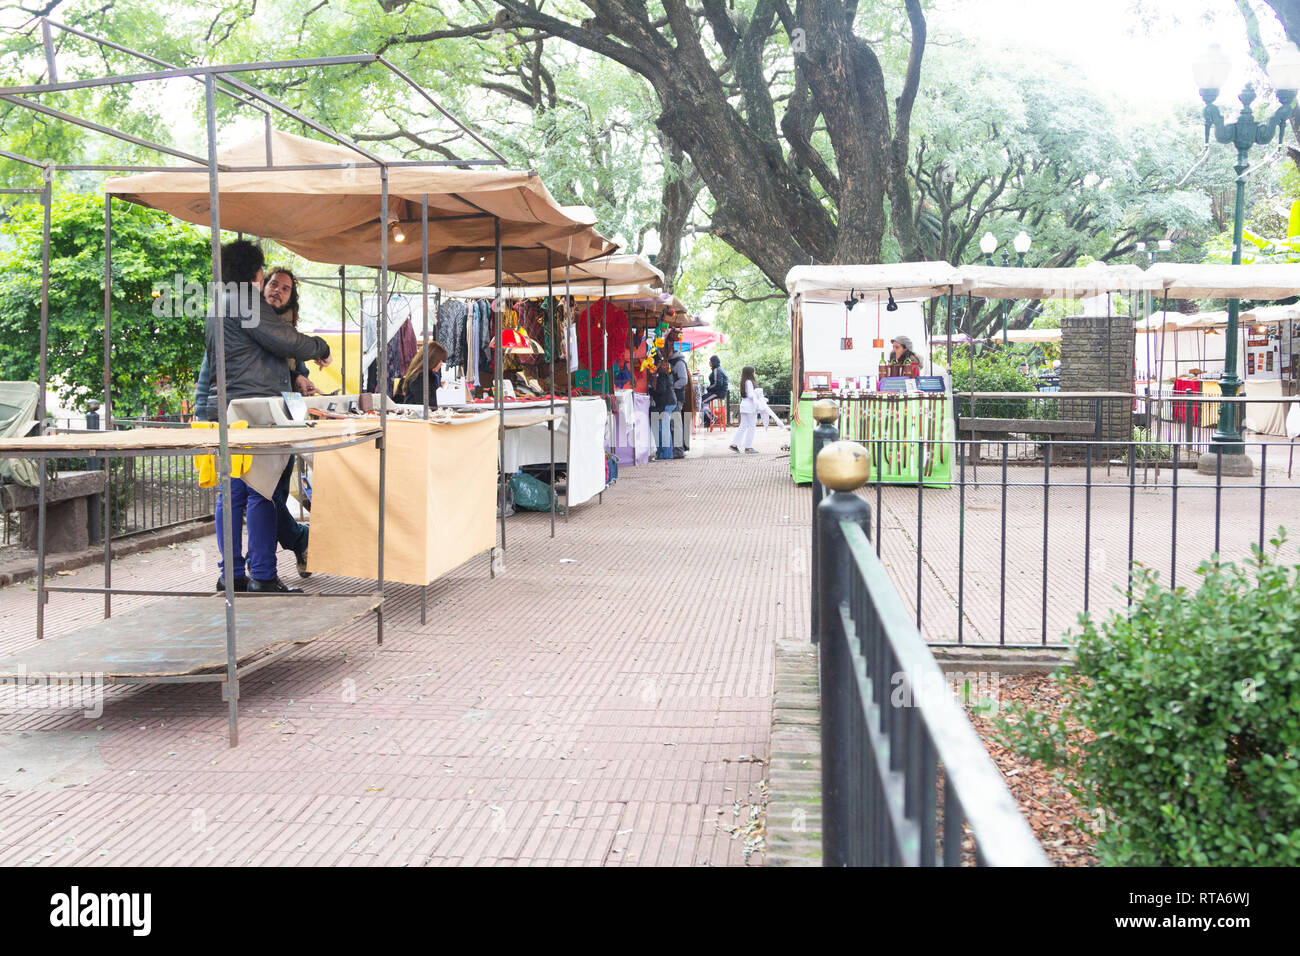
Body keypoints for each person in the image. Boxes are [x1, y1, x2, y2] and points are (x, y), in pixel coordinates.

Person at [205, 240, 331, 594]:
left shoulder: (220, 302)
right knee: (262, 491)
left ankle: (230, 574)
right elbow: (285, 342)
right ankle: (262, 574)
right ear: (258, 274)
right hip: (256, 410)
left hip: (229, 409)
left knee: (231, 494)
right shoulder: (246, 300)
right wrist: (321, 347)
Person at [262, 266, 313, 579]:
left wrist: (301, 378)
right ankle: (300, 540)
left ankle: (267, 565)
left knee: (274, 494)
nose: (276, 291)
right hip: (258, 417)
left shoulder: (291, 331)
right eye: (273, 284)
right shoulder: (251, 322)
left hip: (286, 418)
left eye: (284, 288)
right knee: (263, 495)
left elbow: (300, 369)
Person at [394, 340, 448, 408]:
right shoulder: (419, 378)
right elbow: (426, 403)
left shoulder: (430, 376)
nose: (441, 363)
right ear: (432, 360)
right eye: (440, 360)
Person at [649, 356, 677, 460]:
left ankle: (666, 455)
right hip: (669, 402)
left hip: (666, 403)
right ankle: (665, 454)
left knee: (664, 429)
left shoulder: (662, 375)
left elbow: (661, 390)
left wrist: (651, 391)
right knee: (664, 429)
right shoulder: (667, 374)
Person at [730, 365, 759, 454]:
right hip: (750, 406)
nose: (755, 373)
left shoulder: (744, 381)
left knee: (743, 426)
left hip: (744, 405)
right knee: (751, 426)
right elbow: (750, 395)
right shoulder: (749, 382)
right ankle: (748, 447)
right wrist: (758, 396)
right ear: (750, 373)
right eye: (754, 371)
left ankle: (734, 444)